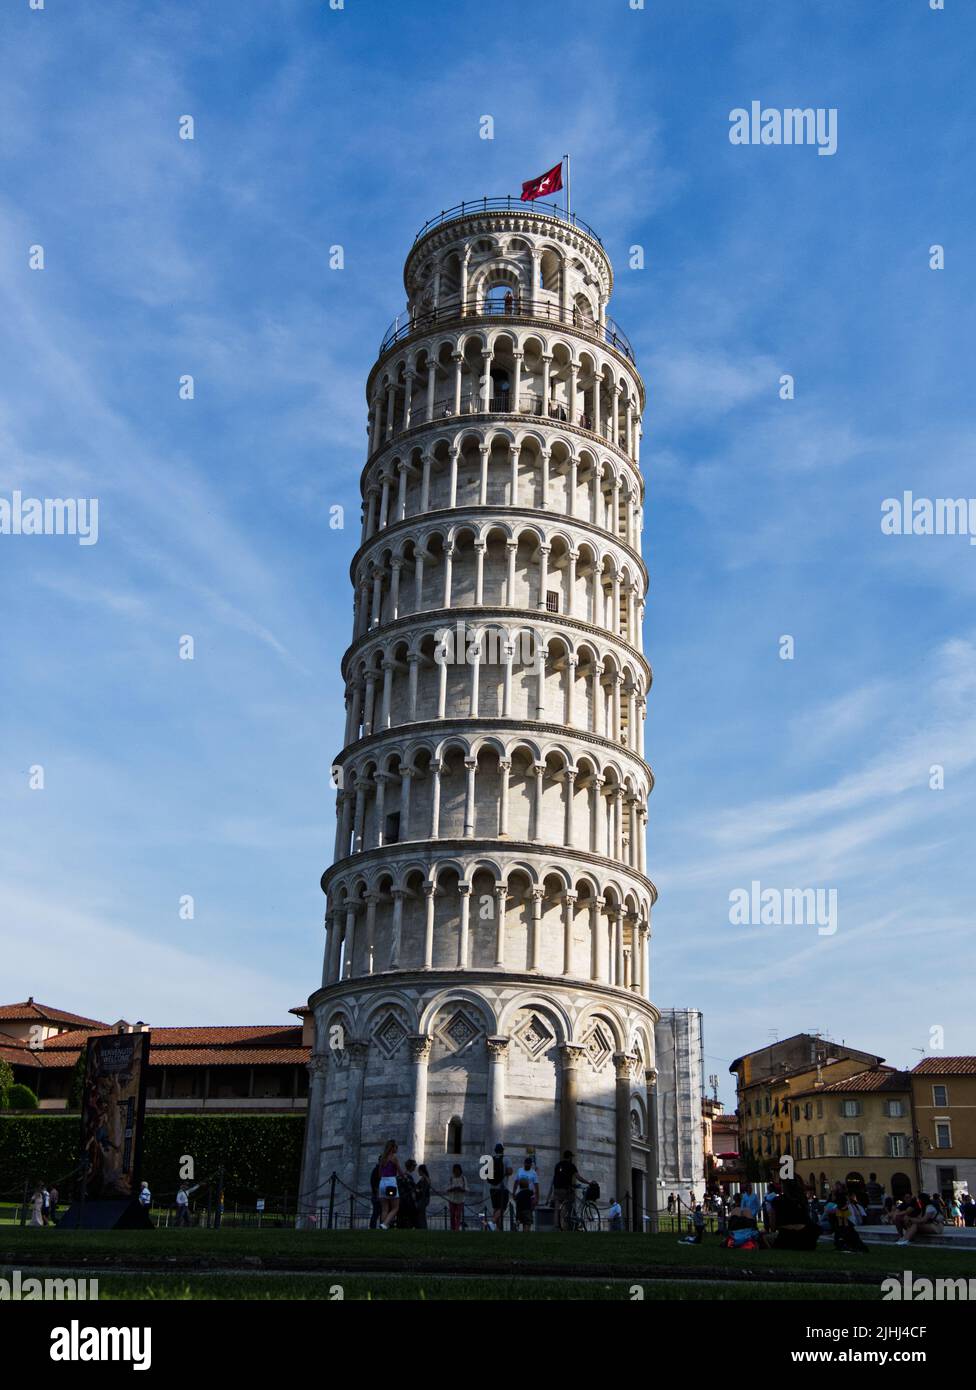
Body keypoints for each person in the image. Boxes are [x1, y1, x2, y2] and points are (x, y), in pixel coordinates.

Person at [771, 1178, 821, 1251]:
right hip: (803, 1235)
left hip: (786, 1236)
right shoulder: (801, 1200)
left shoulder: (778, 1200)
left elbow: (773, 1221)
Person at [825, 1183, 866, 1252]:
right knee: (840, 1230)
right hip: (839, 1217)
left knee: (843, 1230)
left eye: (835, 1187)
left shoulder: (841, 1197)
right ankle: (840, 1244)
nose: (833, 1188)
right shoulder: (835, 1197)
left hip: (841, 1217)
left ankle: (846, 1244)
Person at [551, 1150, 584, 1230]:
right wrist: (588, 1182)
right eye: (571, 1157)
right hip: (566, 1190)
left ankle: (556, 1226)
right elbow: (578, 1177)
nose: (572, 1158)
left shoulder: (558, 1165)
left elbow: (555, 1178)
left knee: (556, 1209)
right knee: (569, 1206)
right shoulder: (571, 1165)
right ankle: (569, 1225)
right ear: (569, 1157)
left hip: (557, 1189)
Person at [377, 1139, 402, 1230]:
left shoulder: (383, 1158)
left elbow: (379, 1173)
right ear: (392, 1148)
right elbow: (399, 1171)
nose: (397, 1149)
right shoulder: (393, 1157)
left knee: (385, 1208)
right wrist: (404, 1177)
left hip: (382, 1183)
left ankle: (383, 1225)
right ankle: (385, 1224)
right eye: (396, 1147)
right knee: (395, 1207)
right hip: (391, 1183)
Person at [488, 1144, 508, 1231]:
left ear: (495, 1151)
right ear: (502, 1150)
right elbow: (510, 1171)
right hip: (502, 1188)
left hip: (492, 1188)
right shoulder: (506, 1159)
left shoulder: (491, 1160)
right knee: (503, 1208)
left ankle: (497, 1229)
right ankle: (492, 1222)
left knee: (496, 1208)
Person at [446, 1163, 467, 1231]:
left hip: (460, 1199)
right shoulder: (451, 1178)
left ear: (460, 1170)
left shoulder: (463, 1178)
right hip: (452, 1199)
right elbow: (447, 1188)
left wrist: (461, 1189)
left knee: (458, 1215)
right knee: (452, 1215)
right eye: (455, 1170)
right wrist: (452, 1188)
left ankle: (457, 1229)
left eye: (457, 1170)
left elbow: (466, 1188)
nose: (456, 1171)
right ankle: (453, 1228)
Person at [399, 1159, 418, 1229]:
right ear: (411, 1167)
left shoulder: (403, 1175)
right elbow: (412, 1189)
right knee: (409, 1216)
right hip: (407, 1200)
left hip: (402, 1199)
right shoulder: (408, 1176)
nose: (414, 1168)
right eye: (414, 1166)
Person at [414, 1164, 431, 1230]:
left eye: (419, 1171)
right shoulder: (423, 1178)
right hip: (423, 1198)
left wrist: (418, 1190)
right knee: (421, 1214)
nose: (418, 1172)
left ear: (421, 1171)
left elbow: (426, 1187)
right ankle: (422, 1227)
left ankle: (423, 1227)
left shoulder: (425, 1178)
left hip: (423, 1199)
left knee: (421, 1214)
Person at [368, 1160, 382, 1229]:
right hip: (377, 1195)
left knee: (381, 1212)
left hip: (381, 1194)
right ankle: (372, 1227)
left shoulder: (382, 1170)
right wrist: (377, 1192)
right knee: (376, 1212)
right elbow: (373, 1183)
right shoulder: (376, 1170)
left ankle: (382, 1226)